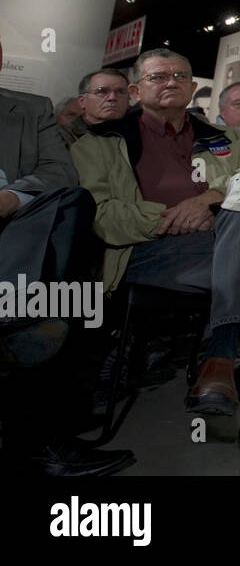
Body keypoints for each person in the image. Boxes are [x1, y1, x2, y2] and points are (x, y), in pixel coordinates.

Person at [71, 48, 240, 459]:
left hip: (223, 247)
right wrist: (175, 216)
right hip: (147, 252)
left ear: (193, 87)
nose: (170, 81)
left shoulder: (230, 140)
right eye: (158, 77)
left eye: (179, 75)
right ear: (136, 89)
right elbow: (104, 217)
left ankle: (222, 363)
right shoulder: (99, 144)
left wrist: (208, 198)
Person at [0, 38, 134, 475]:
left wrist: (11, 197)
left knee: (74, 204)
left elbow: (60, 173)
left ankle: (40, 438)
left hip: (18, 233)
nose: (111, 100)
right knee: (73, 301)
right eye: (101, 93)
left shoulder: (30, 108)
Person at [60, 69, 130, 147]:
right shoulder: (59, 137)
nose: (112, 97)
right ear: (82, 101)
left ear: (128, 100)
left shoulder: (138, 132)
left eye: (120, 92)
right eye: (101, 91)